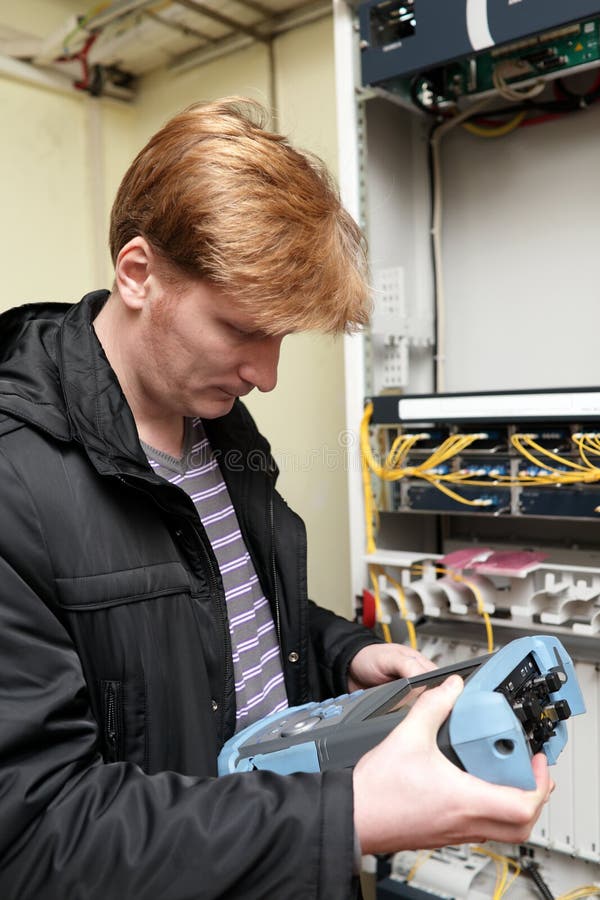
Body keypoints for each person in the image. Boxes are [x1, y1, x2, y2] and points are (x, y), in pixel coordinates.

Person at [0, 98, 550, 899]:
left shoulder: (219, 424)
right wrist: (348, 814)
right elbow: (36, 834)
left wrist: (343, 653)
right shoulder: (17, 480)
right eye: (240, 329)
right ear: (138, 274)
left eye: (282, 338)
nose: (267, 373)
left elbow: (236, 616)